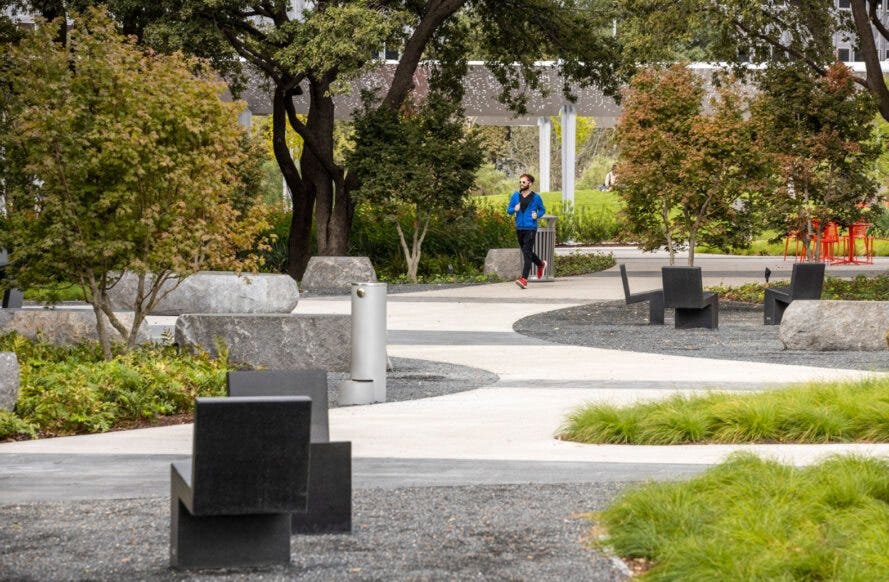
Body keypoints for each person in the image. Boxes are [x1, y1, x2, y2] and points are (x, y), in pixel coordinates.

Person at [507, 173, 546, 289]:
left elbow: (542, 210)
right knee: (526, 251)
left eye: (523, 182)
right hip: (519, 227)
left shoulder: (536, 197)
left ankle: (524, 279)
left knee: (527, 251)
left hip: (530, 227)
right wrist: (514, 209)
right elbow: (508, 211)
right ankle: (540, 264)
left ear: (530, 183)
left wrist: (537, 215)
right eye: (520, 182)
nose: (521, 184)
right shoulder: (515, 196)